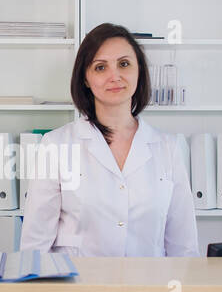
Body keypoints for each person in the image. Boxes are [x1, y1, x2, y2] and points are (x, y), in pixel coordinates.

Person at [19, 22, 200, 257]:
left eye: (124, 64)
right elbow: (34, 247)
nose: (114, 76)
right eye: (100, 67)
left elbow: (184, 247)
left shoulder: (168, 148)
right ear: (85, 78)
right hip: (78, 289)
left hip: (148, 289)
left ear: (139, 72)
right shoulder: (56, 146)